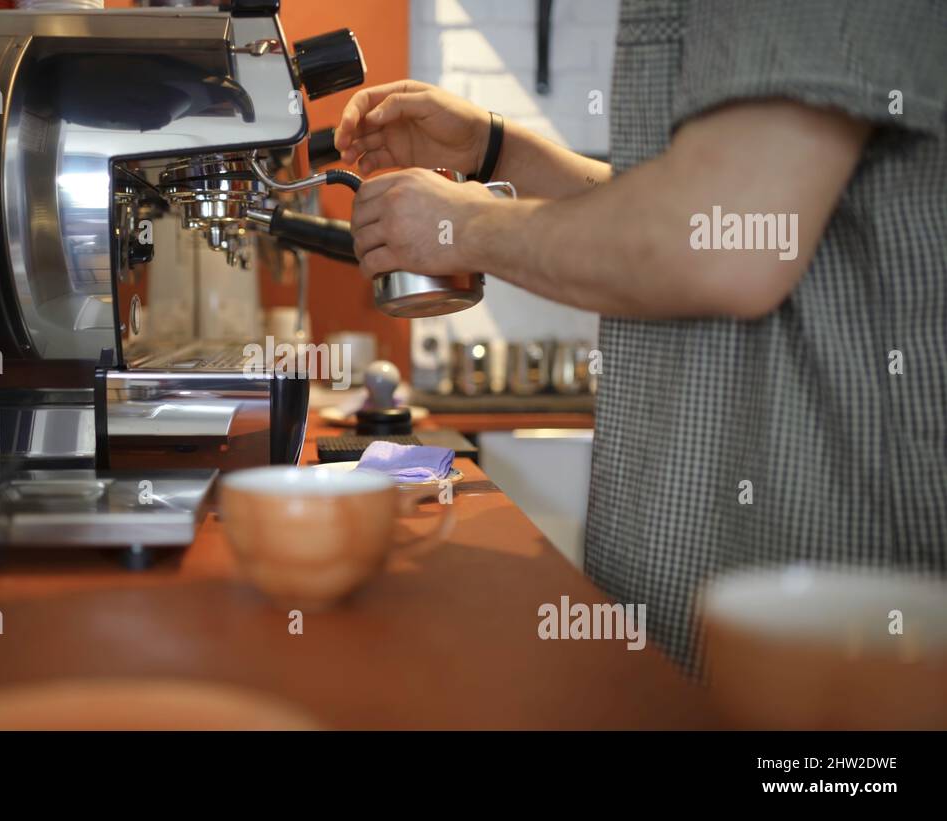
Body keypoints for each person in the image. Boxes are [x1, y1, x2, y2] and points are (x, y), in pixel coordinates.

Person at [336, 0, 947, 673]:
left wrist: (464, 227)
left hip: (830, 585)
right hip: (706, 573)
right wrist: (494, 152)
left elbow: (723, 241)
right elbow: (680, 203)